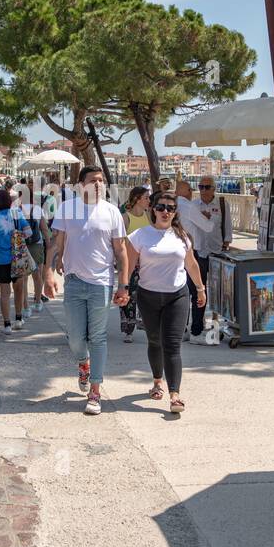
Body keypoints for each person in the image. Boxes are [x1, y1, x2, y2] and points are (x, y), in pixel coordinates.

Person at [45, 165, 127, 416]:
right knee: (76, 338)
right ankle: (84, 362)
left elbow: (121, 250)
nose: (99, 184)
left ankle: (95, 391)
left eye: (102, 181)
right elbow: (57, 241)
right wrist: (50, 271)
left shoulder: (112, 212)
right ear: (81, 185)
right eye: (93, 180)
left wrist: (123, 284)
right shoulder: (67, 208)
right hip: (74, 280)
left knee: (98, 337)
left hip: (102, 282)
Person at [118, 193, 204, 413]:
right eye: (161, 207)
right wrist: (124, 288)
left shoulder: (182, 236)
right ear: (153, 210)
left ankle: (175, 395)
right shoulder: (140, 236)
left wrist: (200, 289)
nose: (166, 211)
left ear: (175, 212)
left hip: (177, 296)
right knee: (155, 340)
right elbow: (128, 265)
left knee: (173, 345)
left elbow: (192, 264)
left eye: (171, 208)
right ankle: (158, 381)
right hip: (148, 296)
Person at [186, 175, 231, 340]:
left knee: (218, 291)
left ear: (214, 188)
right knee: (197, 290)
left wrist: (227, 243)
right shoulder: (193, 206)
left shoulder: (221, 204)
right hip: (198, 252)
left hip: (216, 252)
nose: (203, 190)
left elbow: (227, 225)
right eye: (201, 187)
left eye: (207, 187)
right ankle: (196, 328)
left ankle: (216, 327)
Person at [0, 188, 32, 333]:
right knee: (18, 290)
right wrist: (17, 237)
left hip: (1, 259)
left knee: (4, 293)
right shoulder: (17, 213)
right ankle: (18, 319)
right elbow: (28, 232)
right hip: (17, 257)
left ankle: (7, 325)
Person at [120, 186, 151, 342]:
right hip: (130, 263)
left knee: (145, 295)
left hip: (146, 263)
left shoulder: (150, 217)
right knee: (129, 294)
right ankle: (128, 329)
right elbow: (120, 243)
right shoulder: (125, 218)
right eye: (146, 197)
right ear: (138, 199)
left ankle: (145, 323)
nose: (149, 200)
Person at [17, 178, 51, 314]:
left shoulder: (16, 209)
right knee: (37, 275)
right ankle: (37, 301)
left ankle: (25, 307)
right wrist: (48, 243)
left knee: (24, 277)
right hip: (37, 244)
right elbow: (43, 228)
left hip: (21, 244)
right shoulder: (37, 209)